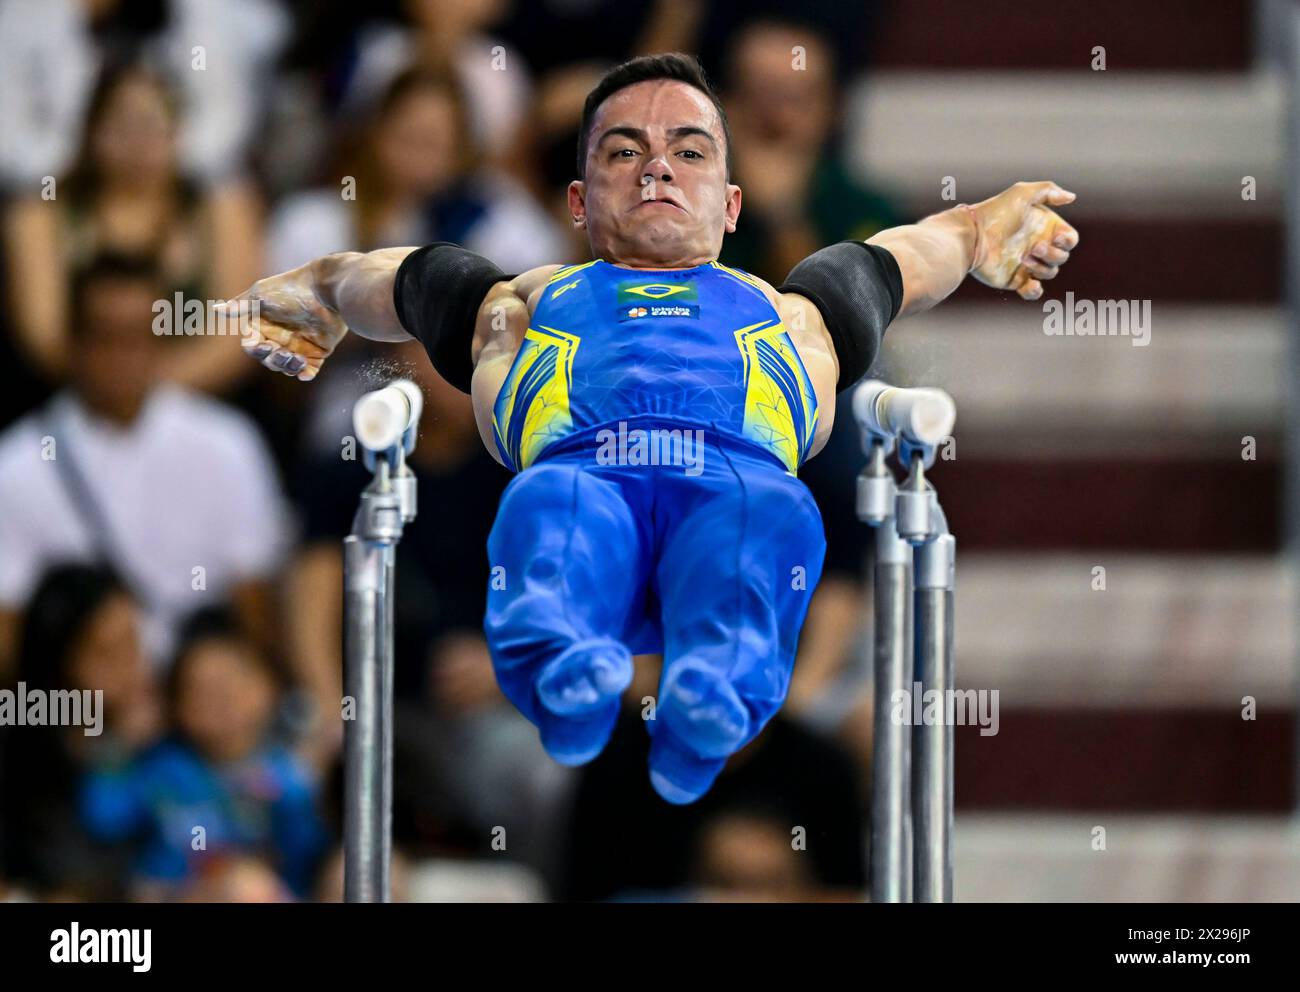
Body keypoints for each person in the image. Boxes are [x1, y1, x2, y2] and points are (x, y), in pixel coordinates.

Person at [219, 52, 1079, 805]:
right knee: (552, 507)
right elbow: (400, 277)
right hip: (583, 484)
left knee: (768, 516)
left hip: (732, 493)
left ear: (733, 202)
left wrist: (975, 229)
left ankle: (709, 697)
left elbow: (909, 256)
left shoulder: (793, 312)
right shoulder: (522, 301)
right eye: (623, 150)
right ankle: (568, 673)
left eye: (690, 151)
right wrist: (323, 287)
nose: (656, 166)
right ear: (580, 200)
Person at [0, 253, 293, 676]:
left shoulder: (227, 443)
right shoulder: (18, 462)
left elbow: (257, 613)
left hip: (198, 707)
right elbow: (8, 625)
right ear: (73, 343)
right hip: (82, 710)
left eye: (138, 335)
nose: (123, 357)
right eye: (106, 337)